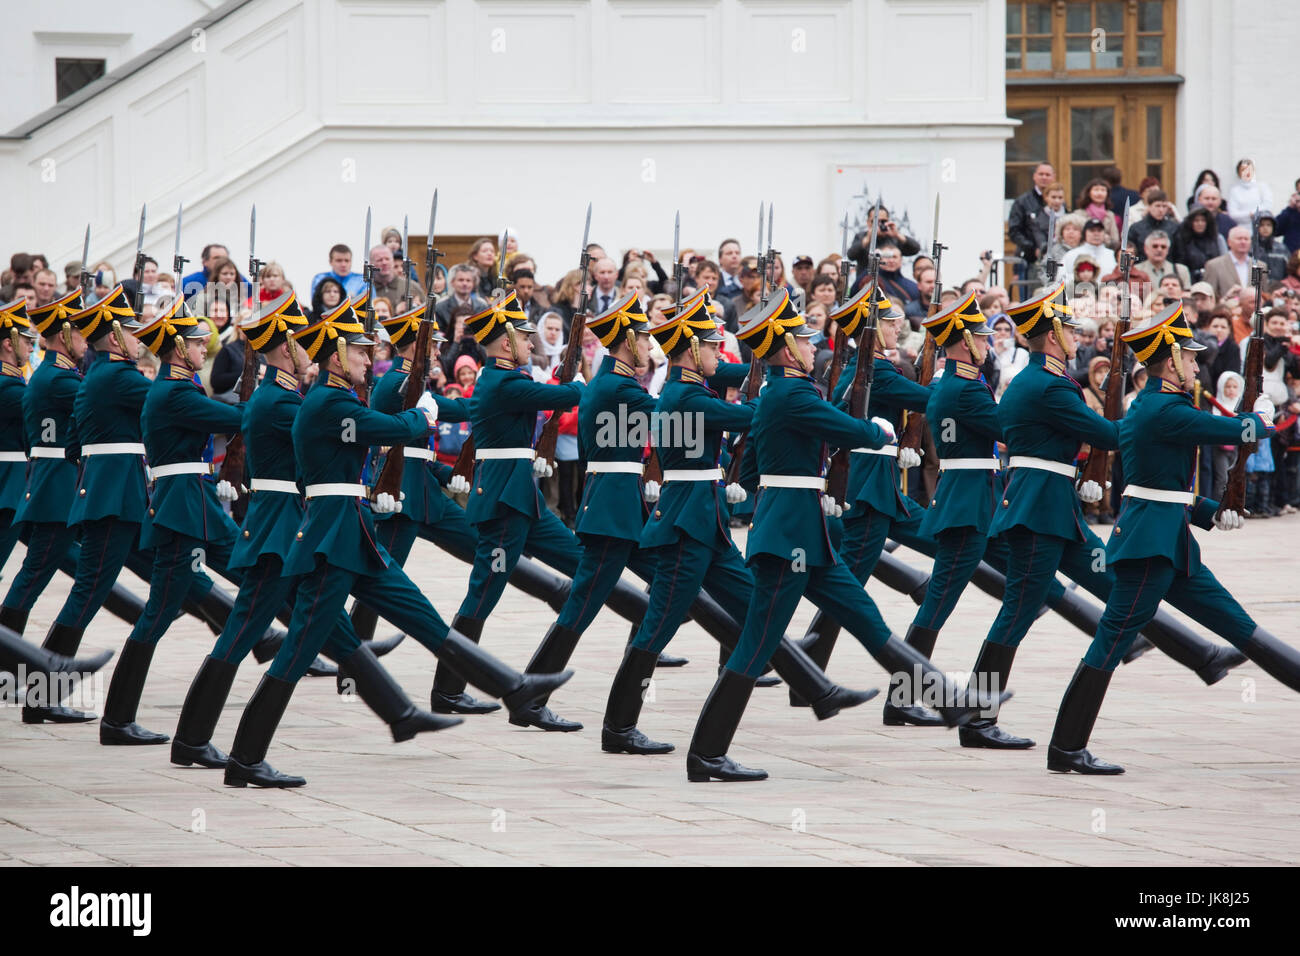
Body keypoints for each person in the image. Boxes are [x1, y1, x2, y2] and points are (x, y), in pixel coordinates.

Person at [220, 299, 572, 788]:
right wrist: (422, 415)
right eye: (362, 353)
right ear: (338, 356)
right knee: (297, 651)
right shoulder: (327, 405)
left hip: (353, 529)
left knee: (422, 616)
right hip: (328, 539)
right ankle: (245, 758)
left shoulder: (333, 401)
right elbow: (387, 429)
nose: (372, 360)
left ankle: (510, 687)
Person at [685, 291, 1002, 782]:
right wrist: (876, 431)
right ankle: (706, 753)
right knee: (756, 642)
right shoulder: (791, 393)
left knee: (867, 619)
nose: (815, 347)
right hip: (788, 536)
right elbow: (847, 430)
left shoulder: (782, 392)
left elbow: (752, 465)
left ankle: (951, 701)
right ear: (787, 349)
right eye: (806, 341)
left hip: (804, 531)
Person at [170, 290, 448, 769]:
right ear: (284, 348)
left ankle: (399, 712)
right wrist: (403, 419)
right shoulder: (284, 403)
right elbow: (342, 434)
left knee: (325, 630)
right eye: (299, 342)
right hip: (280, 531)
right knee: (242, 636)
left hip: (292, 526)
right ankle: (197, 741)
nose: (308, 350)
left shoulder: (286, 397)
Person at [1046, 302, 1295, 775]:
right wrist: (1262, 418)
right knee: (1111, 641)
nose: (1198, 364)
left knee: (1241, 629)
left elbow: (1162, 483)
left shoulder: (1159, 407)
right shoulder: (1162, 408)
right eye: (1191, 356)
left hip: (1170, 541)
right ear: (1171, 360)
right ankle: (1066, 748)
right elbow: (1228, 430)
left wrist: (1209, 512)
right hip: (1147, 547)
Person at [0, 289, 87, 638]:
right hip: (11, 479)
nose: (31, 346)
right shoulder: (11, 386)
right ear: (9, 343)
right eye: (26, 339)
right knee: (40, 564)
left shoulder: (23, 380)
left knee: (57, 560)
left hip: (26, 478)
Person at [1006, 162, 1056, 277]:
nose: (1044, 177)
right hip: (1028, 260)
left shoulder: (1059, 203)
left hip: (1054, 260)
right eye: (1041, 174)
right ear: (1034, 176)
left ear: (1053, 177)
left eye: (1048, 175)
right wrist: (1033, 248)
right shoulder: (1022, 201)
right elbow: (1014, 231)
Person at [1171, 207, 1226, 282]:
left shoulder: (1215, 239)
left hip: (1212, 279)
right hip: (1190, 279)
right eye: (1196, 221)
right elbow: (1180, 263)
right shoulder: (1182, 239)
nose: (1200, 223)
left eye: (1203, 221)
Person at [1203, 225, 1256, 300]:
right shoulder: (1214, 265)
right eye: (1239, 239)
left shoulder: (1260, 266)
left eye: (1246, 239)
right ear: (1229, 242)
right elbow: (1208, 297)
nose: (1243, 242)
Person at [1226, 158, 1274, 228]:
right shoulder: (1234, 191)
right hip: (1241, 229)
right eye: (1243, 170)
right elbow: (1233, 214)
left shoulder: (1262, 187)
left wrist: (1253, 212)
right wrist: (1249, 214)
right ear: (1238, 173)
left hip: (1260, 229)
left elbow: (1267, 206)